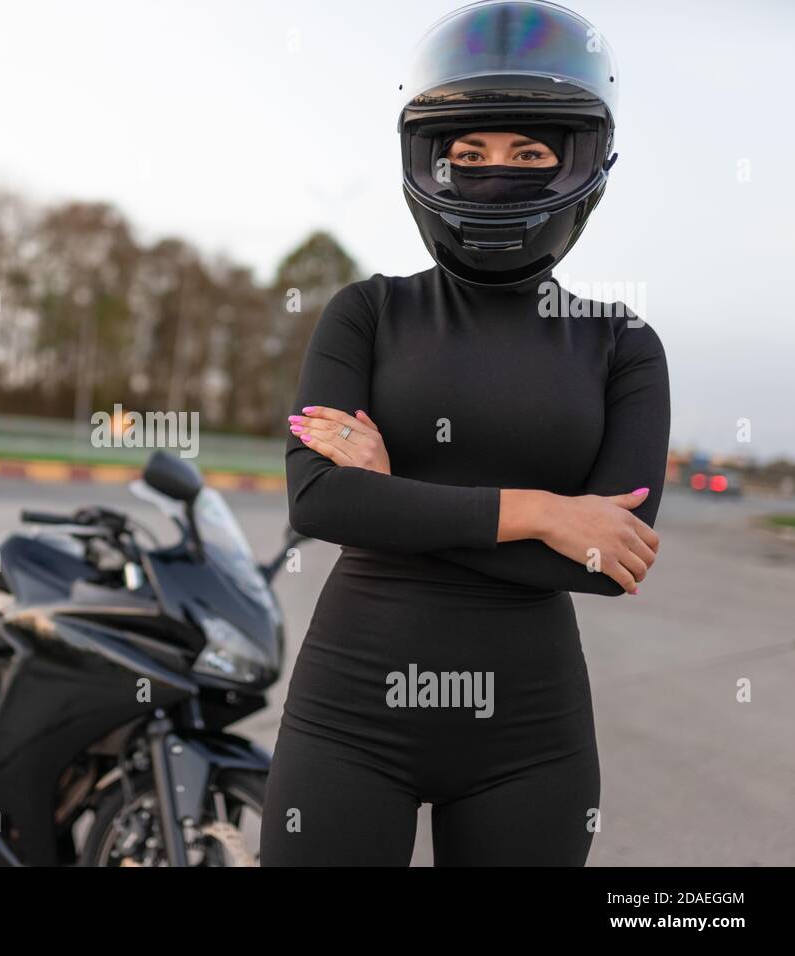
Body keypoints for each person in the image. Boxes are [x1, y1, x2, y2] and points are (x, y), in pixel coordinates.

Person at [260, 0, 670, 866]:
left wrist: (394, 489)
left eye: (529, 154)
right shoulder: (366, 311)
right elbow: (319, 499)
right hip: (349, 719)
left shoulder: (623, 344)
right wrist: (547, 513)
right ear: (431, 160)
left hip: (531, 739)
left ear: (581, 166)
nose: (496, 172)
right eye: (470, 153)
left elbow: (610, 561)